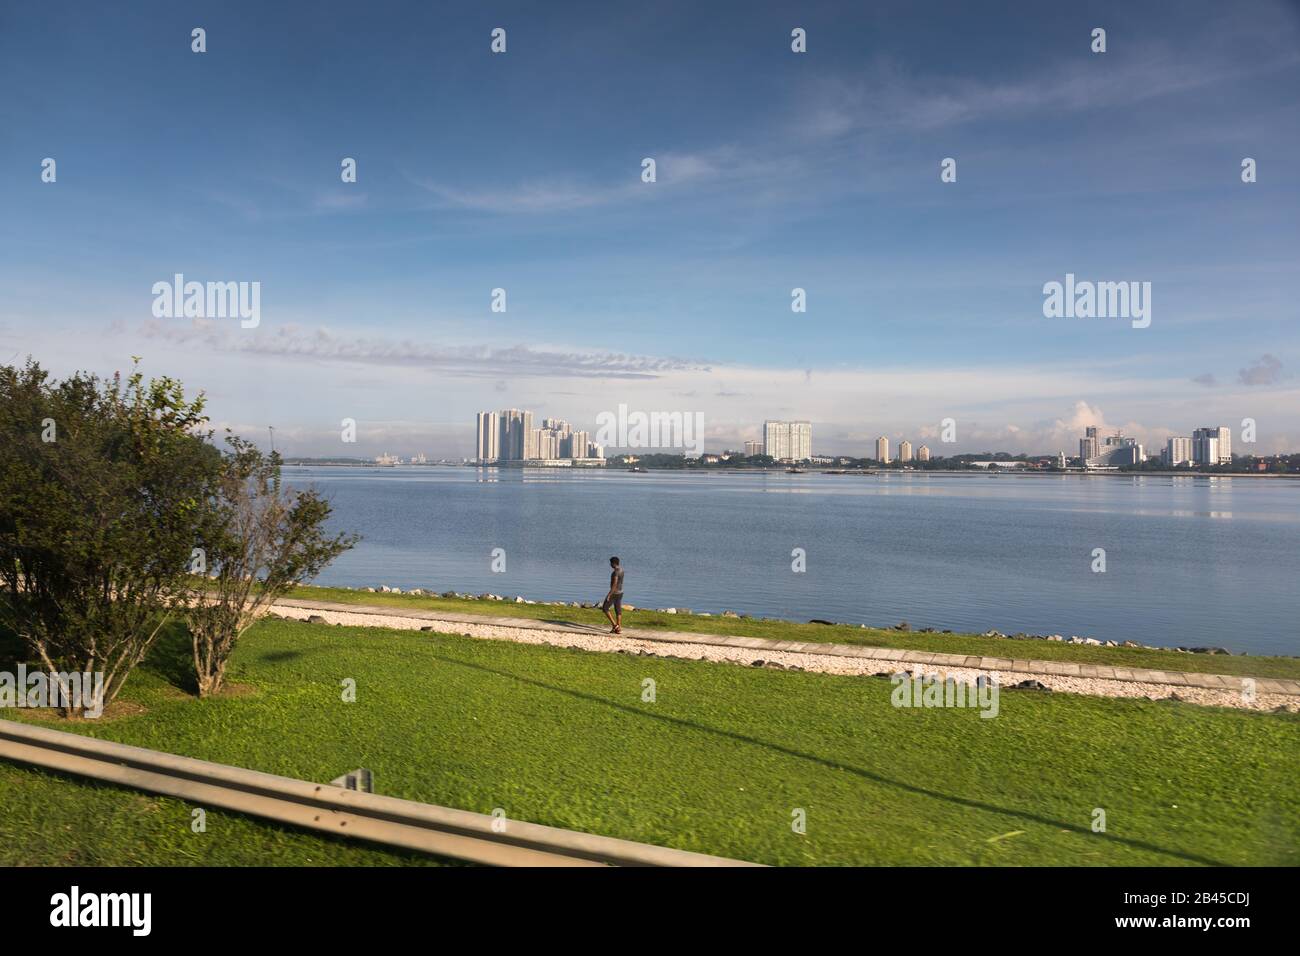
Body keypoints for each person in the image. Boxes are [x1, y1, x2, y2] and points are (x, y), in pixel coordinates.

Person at [601, 556, 625, 633]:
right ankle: (619, 628)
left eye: (611, 563)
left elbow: (614, 584)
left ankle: (615, 625)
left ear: (614, 563)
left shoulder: (615, 572)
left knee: (605, 608)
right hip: (620, 592)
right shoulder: (622, 570)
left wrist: (609, 595)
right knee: (618, 610)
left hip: (614, 593)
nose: (610, 565)